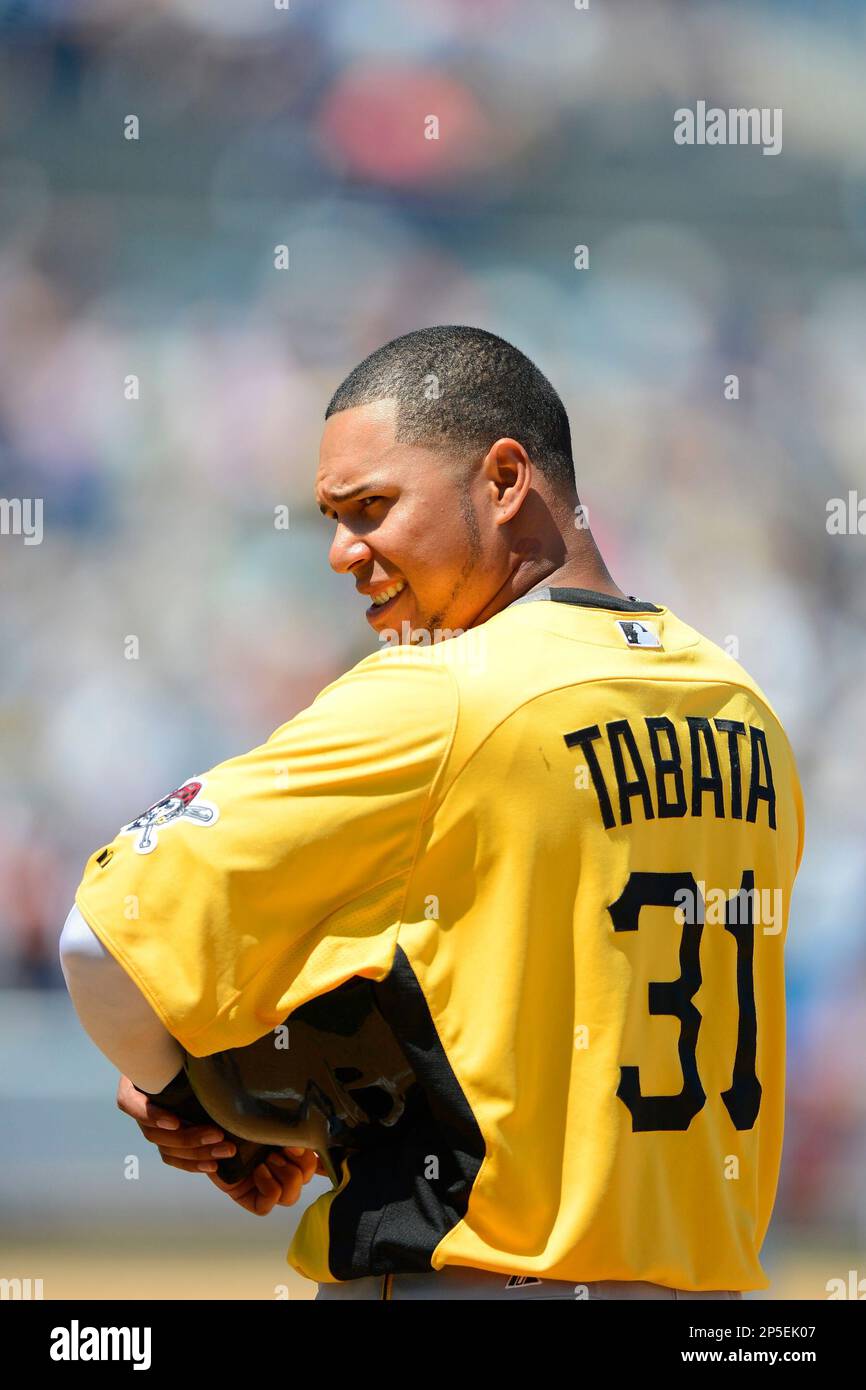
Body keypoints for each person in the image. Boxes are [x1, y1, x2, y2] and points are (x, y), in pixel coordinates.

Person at [60, 324, 805, 1300]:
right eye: (329, 516)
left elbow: (99, 938)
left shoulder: (439, 696)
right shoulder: (743, 711)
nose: (339, 552)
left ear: (503, 480)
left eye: (370, 507)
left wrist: (204, 1104)